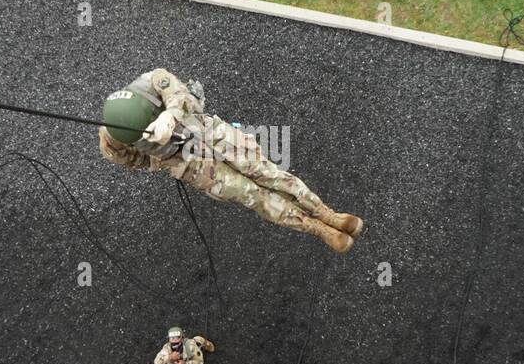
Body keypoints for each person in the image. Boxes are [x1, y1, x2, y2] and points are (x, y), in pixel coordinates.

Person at [98, 68, 364, 253]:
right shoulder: (111, 137)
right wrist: (161, 160)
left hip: (209, 132)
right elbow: (130, 160)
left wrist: (170, 115)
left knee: (267, 173)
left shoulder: (152, 81)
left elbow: (180, 96)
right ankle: (317, 228)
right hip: (189, 163)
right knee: (253, 196)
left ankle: (326, 213)